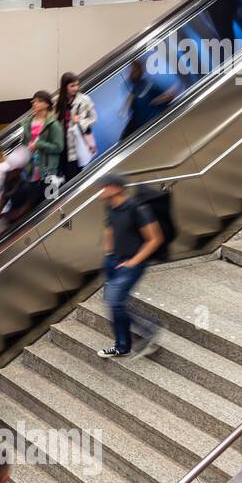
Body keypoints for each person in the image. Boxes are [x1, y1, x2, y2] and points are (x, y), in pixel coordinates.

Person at [97, 174, 165, 358]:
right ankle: (122, 346)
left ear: (116, 188)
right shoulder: (111, 207)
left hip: (132, 263)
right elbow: (110, 229)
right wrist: (109, 254)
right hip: (114, 262)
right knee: (114, 303)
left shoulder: (137, 209)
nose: (99, 190)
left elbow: (155, 239)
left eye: (104, 186)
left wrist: (133, 262)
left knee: (115, 301)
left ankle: (150, 330)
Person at [120, 58, 178, 141]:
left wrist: (158, 100)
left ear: (139, 71)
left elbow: (169, 97)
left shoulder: (149, 85)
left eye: (133, 71)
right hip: (142, 130)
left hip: (154, 128)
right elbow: (133, 115)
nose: (130, 74)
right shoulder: (134, 91)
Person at [56, 72, 97, 181]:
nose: (76, 88)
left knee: (73, 176)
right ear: (65, 86)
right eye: (72, 86)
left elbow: (94, 119)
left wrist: (80, 121)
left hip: (76, 145)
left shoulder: (84, 100)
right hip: (62, 146)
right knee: (62, 176)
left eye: (77, 85)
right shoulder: (58, 102)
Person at [25, 91, 64, 186]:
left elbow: (59, 147)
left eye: (38, 101)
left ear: (46, 104)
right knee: (34, 198)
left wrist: (38, 144)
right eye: (33, 101)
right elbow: (25, 143)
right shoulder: (28, 122)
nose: (34, 103)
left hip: (49, 169)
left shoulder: (53, 124)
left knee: (50, 198)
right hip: (31, 168)